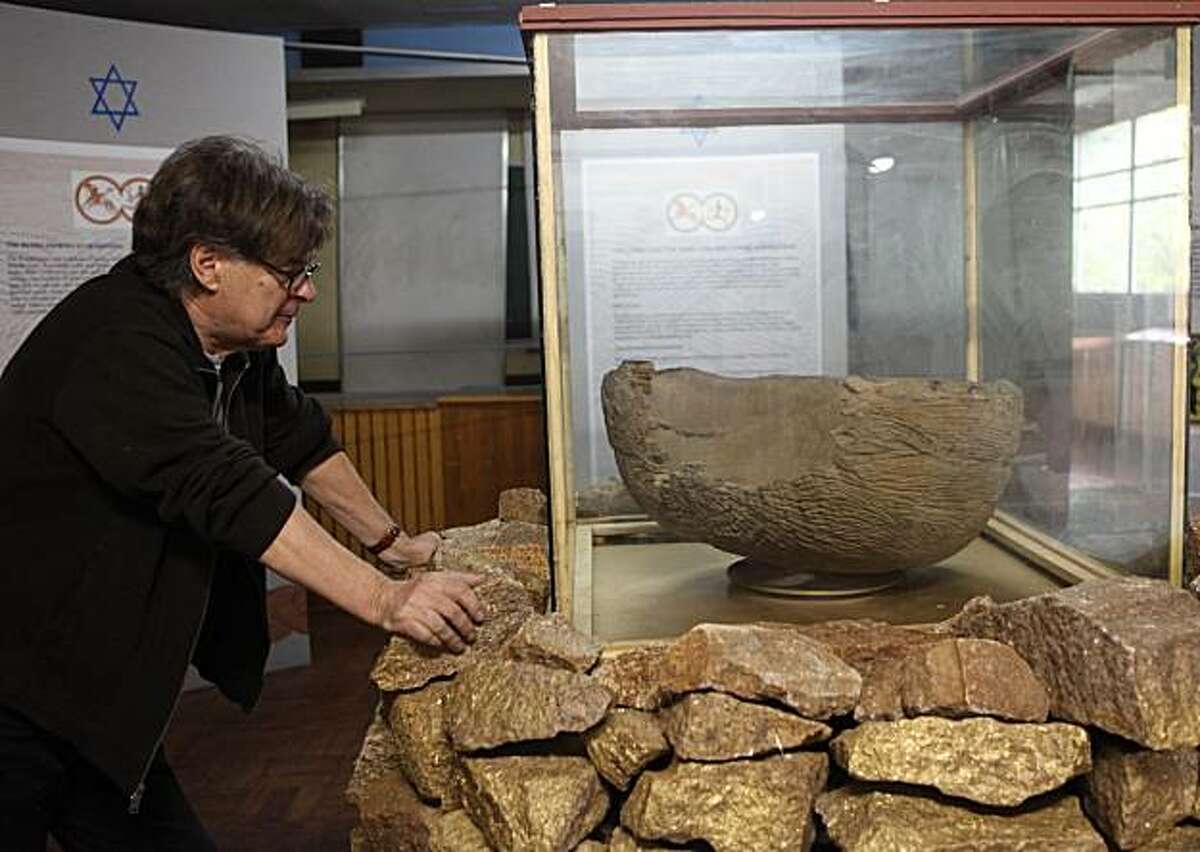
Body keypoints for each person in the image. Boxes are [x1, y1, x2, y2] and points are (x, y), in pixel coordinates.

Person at [0, 135, 485, 850]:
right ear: (207, 264)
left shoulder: (235, 351)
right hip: (17, 698)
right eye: (290, 271)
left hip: (98, 712)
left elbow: (301, 440)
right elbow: (226, 486)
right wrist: (385, 600)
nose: (308, 290)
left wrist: (394, 546)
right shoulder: (116, 342)